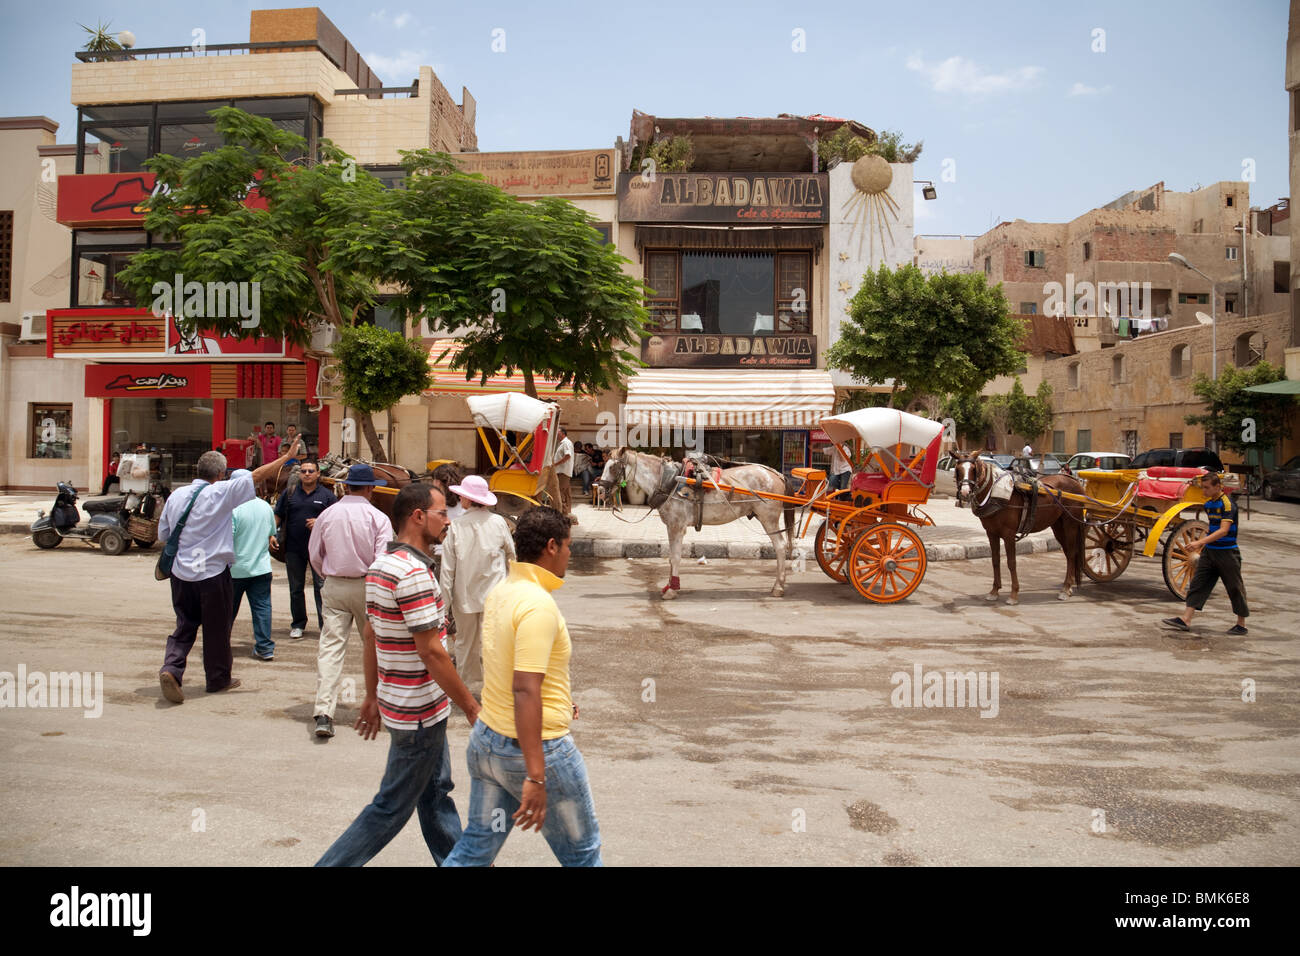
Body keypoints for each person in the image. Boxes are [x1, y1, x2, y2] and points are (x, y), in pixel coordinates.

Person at [315, 483, 480, 867]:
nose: (448, 522)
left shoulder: (380, 567)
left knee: (436, 792)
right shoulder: (413, 574)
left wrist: (372, 696)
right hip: (418, 714)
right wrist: (471, 707)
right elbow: (433, 652)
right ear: (418, 516)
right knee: (389, 808)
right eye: (442, 513)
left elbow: (372, 636)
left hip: (413, 708)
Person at [443, 507, 602, 867]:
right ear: (550, 547)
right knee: (583, 855)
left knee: (473, 852)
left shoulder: (503, 591)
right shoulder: (537, 605)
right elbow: (525, 689)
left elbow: (507, 667)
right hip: (537, 749)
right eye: (567, 546)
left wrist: (562, 701)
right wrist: (536, 775)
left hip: (487, 743)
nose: (570, 553)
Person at [157, 442, 301, 704]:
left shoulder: (177, 496)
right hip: (212, 574)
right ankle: (218, 678)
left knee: (184, 625)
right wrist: (286, 458)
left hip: (181, 573)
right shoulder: (220, 493)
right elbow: (256, 475)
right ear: (221, 474)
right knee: (217, 629)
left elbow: (164, 535)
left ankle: (171, 668)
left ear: (197, 470)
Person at [309, 463, 394, 739]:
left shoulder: (327, 515)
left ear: (346, 487)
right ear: (370, 488)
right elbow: (382, 560)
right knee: (378, 648)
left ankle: (324, 712)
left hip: (334, 585)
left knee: (331, 649)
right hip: (368, 586)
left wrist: (328, 574)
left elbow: (315, 554)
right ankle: (383, 708)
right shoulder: (378, 518)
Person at [439, 475, 516, 698]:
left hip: (464, 597)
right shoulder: (499, 523)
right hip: (495, 595)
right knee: (494, 643)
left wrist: (443, 607)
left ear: (466, 499)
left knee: (464, 643)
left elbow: (447, 571)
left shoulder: (456, 527)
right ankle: (497, 689)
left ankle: (462, 689)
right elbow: (512, 556)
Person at [1162, 472, 1250, 637]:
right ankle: (1186, 619)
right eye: (1203, 487)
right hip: (1210, 552)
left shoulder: (1228, 504)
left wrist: (1200, 542)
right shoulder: (1209, 505)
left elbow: (1223, 531)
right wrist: (1204, 544)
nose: (1204, 491)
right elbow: (1213, 527)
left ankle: (1241, 624)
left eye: (1207, 487)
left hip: (1227, 552)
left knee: (1235, 587)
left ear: (1218, 486)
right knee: (1198, 583)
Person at [276, 460, 336, 638]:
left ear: (318, 474)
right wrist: (271, 533)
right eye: (304, 471)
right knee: (296, 588)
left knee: (321, 588)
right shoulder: (290, 493)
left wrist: (320, 522)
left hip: (319, 550)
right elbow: (278, 515)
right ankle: (298, 624)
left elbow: (336, 520)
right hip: (294, 548)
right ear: (299, 474)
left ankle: (324, 625)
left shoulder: (327, 496)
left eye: (311, 471)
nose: (307, 474)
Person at [231, 494, 277, 661]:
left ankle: (219, 645)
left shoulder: (232, 508)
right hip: (261, 568)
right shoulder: (265, 506)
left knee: (227, 610)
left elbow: (227, 538)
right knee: (262, 608)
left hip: (234, 570)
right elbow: (272, 532)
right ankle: (265, 648)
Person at [552, 427, 575, 520]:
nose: (556, 434)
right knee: (566, 494)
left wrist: (555, 464)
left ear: (562, 433)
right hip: (563, 472)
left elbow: (567, 455)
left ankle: (564, 515)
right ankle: (568, 514)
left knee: (559, 493)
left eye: (557, 432)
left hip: (562, 472)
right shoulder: (563, 443)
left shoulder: (566, 443)